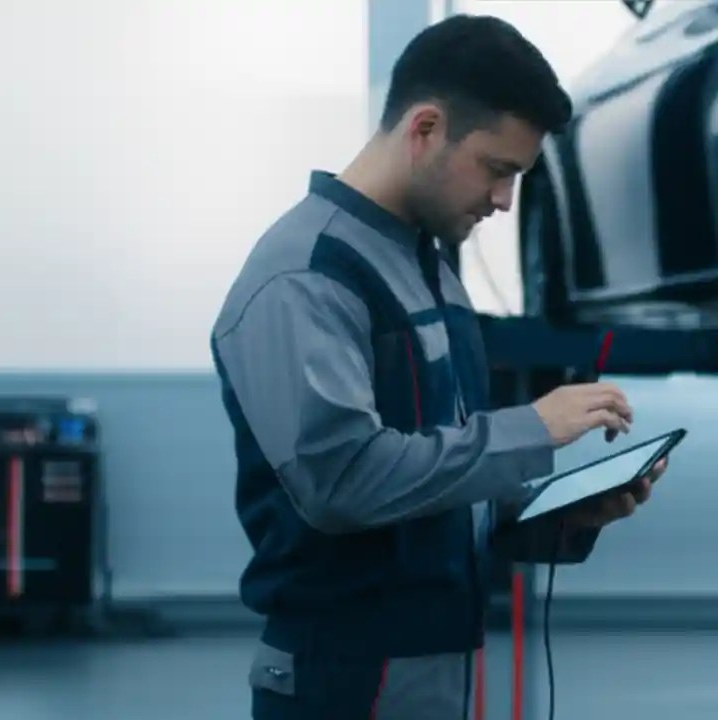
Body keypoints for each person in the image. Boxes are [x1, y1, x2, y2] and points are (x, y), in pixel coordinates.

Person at [209, 13, 669, 719]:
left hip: (435, 669)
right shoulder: (307, 277)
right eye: (497, 169)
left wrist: (567, 515)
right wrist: (532, 428)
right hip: (342, 678)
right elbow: (342, 483)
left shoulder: (431, 270)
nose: (504, 201)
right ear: (425, 129)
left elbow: (442, 486)